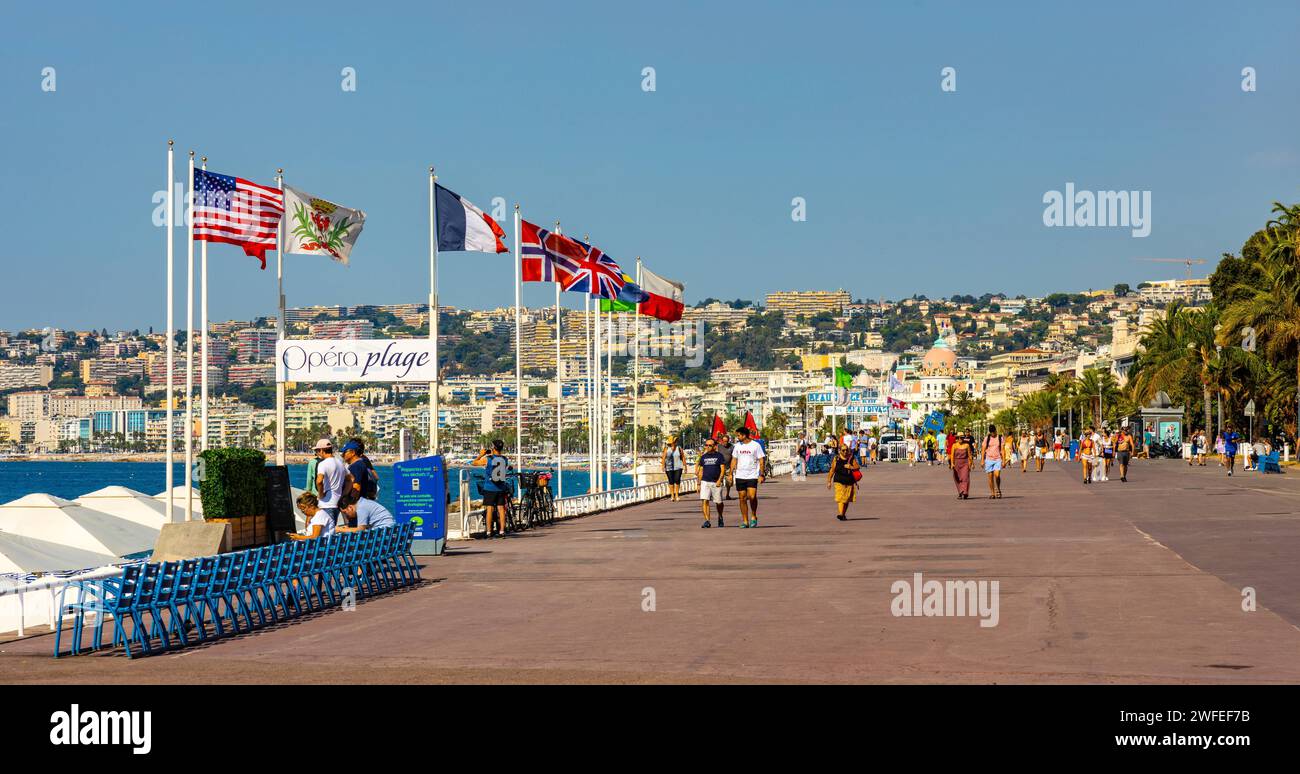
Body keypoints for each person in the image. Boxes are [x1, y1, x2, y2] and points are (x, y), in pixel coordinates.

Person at [729, 425, 766, 528]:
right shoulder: (737, 446)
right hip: (740, 475)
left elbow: (761, 460)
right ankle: (745, 521)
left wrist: (761, 474)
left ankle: (753, 516)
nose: (737, 437)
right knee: (742, 498)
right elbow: (734, 459)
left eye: (739, 435)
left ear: (744, 435)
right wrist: (730, 474)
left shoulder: (755, 445)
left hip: (752, 475)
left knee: (752, 496)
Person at [473, 439, 511, 537]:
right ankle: (502, 531)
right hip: (501, 487)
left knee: (489, 509)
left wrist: (481, 454)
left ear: (494, 448)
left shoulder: (488, 459)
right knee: (501, 509)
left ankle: (489, 532)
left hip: (490, 487)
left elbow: (474, 462)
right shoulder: (505, 459)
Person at [313, 438, 351, 532]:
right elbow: (351, 480)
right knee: (331, 529)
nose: (317, 453)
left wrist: (321, 494)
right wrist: (343, 495)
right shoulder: (340, 463)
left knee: (325, 532)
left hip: (326, 503)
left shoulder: (323, 464)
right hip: (337, 503)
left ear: (322, 450)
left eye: (317, 450)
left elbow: (319, 481)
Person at [340, 439, 377, 527]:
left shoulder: (356, 466)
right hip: (359, 503)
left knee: (354, 528)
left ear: (352, 453)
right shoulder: (360, 464)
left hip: (355, 505)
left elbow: (356, 486)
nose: (342, 455)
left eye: (345, 452)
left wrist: (349, 503)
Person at [696, 437, 727, 527]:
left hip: (716, 482)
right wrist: (698, 483)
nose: (708, 447)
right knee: (705, 500)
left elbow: (722, 469)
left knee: (719, 502)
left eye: (710, 445)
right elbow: (701, 470)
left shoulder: (719, 456)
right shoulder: (703, 457)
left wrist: (719, 480)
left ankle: (720, 516)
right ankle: (707, 520)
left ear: (714, 446)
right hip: (705, 481)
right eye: (706, 445)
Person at [827, 442, 860, 521]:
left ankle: (843, 514)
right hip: (838, 480)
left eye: (846, 450)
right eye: (843, 450)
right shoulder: (836, 458)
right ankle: (841, 514)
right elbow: (832, 470)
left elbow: (857, 467)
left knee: (846, 499)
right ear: (839, 450)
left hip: (849, 481)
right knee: (840, 498)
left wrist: (851, 467)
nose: (845, 452)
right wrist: (829, 481)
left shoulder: (851, 458)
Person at [981, 424, 1007, 498]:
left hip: (997, 459)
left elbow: (1002, 450)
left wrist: (1004, 460)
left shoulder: (1000, 438)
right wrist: (982, 460)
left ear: (995, 430)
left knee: (997, 475)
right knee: (990, 477)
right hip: (989, 459)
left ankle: (998, 489)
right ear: (990, 432)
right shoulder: (987, 438)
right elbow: (983, 450)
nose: (992, 433)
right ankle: (992, 493)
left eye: (993, 432)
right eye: (991, 432)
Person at [950, 431, 973, 499]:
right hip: (957, 463)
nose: (960, 439)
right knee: (957, 478)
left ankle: (965, 492)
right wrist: (952, 463)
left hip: (965, 463)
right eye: (958, 437)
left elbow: (969, 455)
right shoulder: (954, 445)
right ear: (957, 438)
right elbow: (952, 455)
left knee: (965, 478)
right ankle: (960, 492)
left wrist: (971, 464)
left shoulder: (967, 445)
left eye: (962, 437)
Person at [662, 436, 685, 501]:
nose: (675, 442)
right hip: (669, 467)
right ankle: (672, 495)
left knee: (677, 480)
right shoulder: (666, 448)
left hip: (678, 466)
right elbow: (663, 457)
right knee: (671, 481)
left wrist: (685, 466)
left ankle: (677, 495)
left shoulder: (679, 448)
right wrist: (663, 466)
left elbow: (683, 457)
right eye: (674, 441)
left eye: (675, 441)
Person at [717, 433, 735, 500]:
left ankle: (727, 494)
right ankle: (719, 495)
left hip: (728, 467)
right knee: (719, 482)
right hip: (719, 467)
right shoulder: (718, 447)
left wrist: (733, 466)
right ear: (721, 441)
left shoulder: (732, 447)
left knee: (729, 483)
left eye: (727, 441)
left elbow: (734, 457)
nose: (725, 443)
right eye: (724, 441)